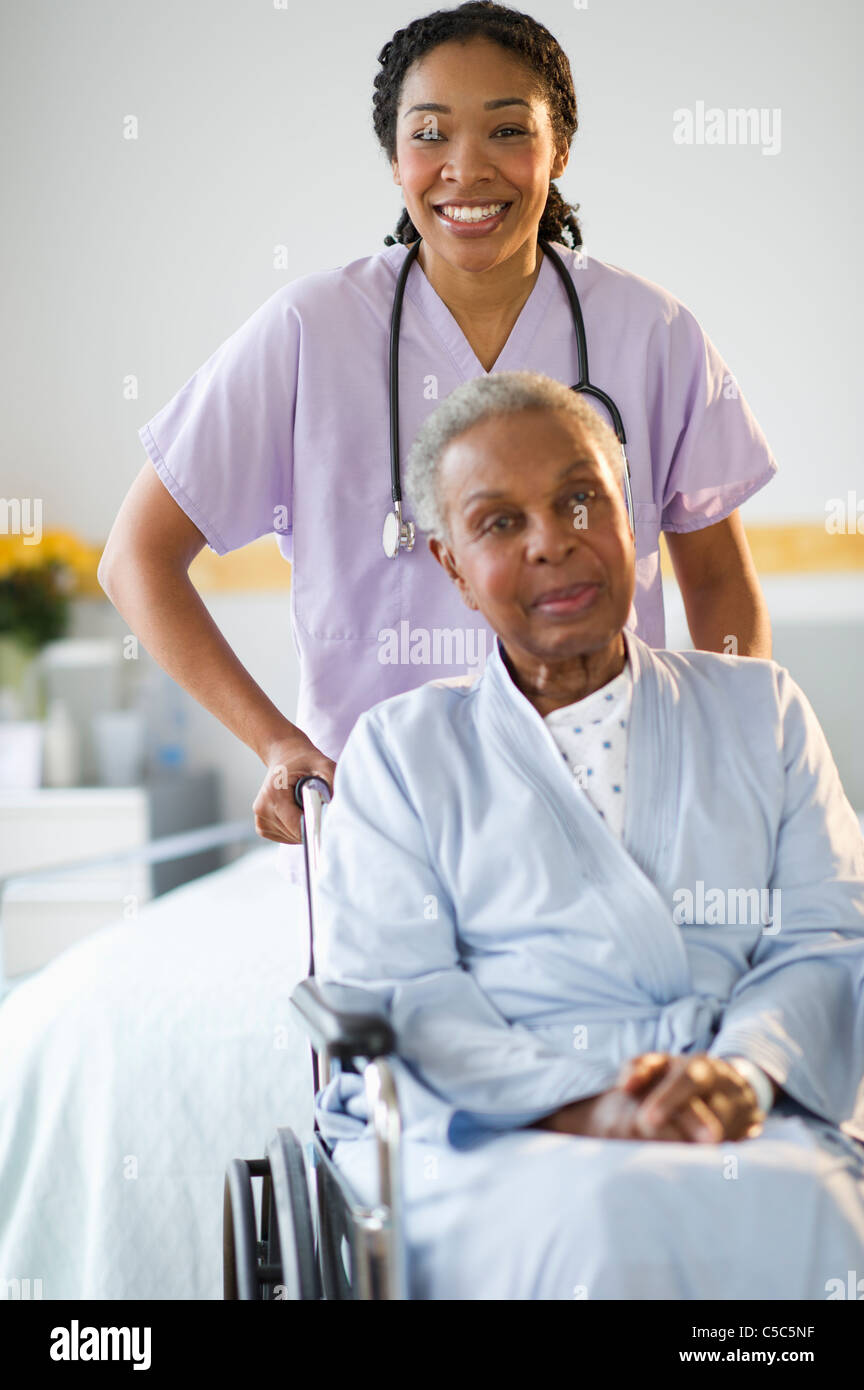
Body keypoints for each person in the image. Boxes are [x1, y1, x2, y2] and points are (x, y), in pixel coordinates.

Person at [99, 1, 777, 885]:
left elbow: (719, 582)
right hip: (381, 817)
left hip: (609, 803)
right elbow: (135, 559)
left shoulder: (649, 331)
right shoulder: (310, 330)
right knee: (398, 1026)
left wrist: (728, 760)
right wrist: (275, 742)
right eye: (430, 134)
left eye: (507, 130)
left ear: (558, 149)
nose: (466, 169)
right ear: (394, 158)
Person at [313, 372, 864, 1300]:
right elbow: (405, 991)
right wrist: (587, 1105)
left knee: (818, 1207)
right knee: (605, 1222)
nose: (552, 542)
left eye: (580, 501)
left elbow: (827, 936)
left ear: (630, 521)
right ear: (451, 566)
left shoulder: (758, 709)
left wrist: (742, 1075)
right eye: (498, 523)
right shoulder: (400, 752)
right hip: (499, 1133)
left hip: (730, 1111)